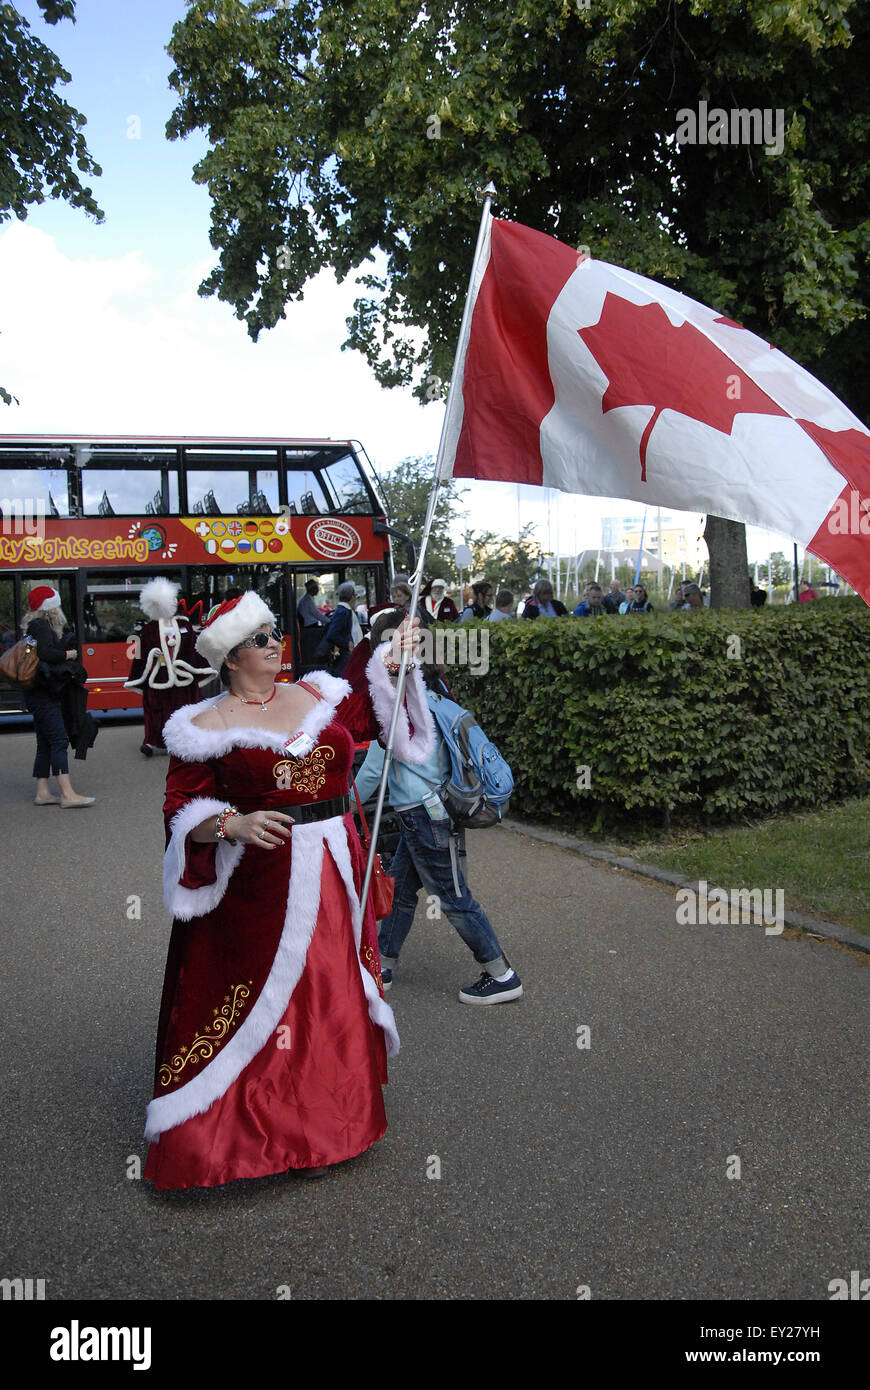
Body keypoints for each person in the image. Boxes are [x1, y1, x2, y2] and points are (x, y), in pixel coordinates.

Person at [142, 590, 433, 1190]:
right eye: (259, 640)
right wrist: (230, 824)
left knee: (328, 993)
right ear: (230, 660)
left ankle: (331, 1123)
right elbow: (179, 809)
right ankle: (239, 1137)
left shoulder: (318, 694)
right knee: (255, 1002)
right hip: (257, 887)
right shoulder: (203, 727)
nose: (275, 644)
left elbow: (370, 713)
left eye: (275, 633)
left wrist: (392, 660)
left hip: (332, 868)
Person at [353, 609, 522, 1005]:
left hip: (421, 815)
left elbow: (373, 771)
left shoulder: (397, 707)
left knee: (454, 896)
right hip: (434, 809)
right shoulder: (433, 695)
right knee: (401, 889)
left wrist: (345, 802)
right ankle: (383, 965)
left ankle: (502, 974)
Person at [20, 585, 95, 807]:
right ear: (51, 607)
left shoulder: (32, 627)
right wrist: (68, 654)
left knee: (44, 743)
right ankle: (67, 794)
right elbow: (46, 653)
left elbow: (35, 653)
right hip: (44, 695)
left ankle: (42, 792)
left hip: (36, 695)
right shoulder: (42, 626)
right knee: (59, 740)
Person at [124, 578, 216, 757]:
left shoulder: (184, 625)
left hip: (183, 677)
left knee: (185, 710)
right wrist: (153, 655)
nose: (175, 602)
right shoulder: (149, 629)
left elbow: (193, 648)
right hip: (158, 678)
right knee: (155, 712)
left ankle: (185, 742)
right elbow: (140, 653)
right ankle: (151, 742)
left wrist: (201, 668)